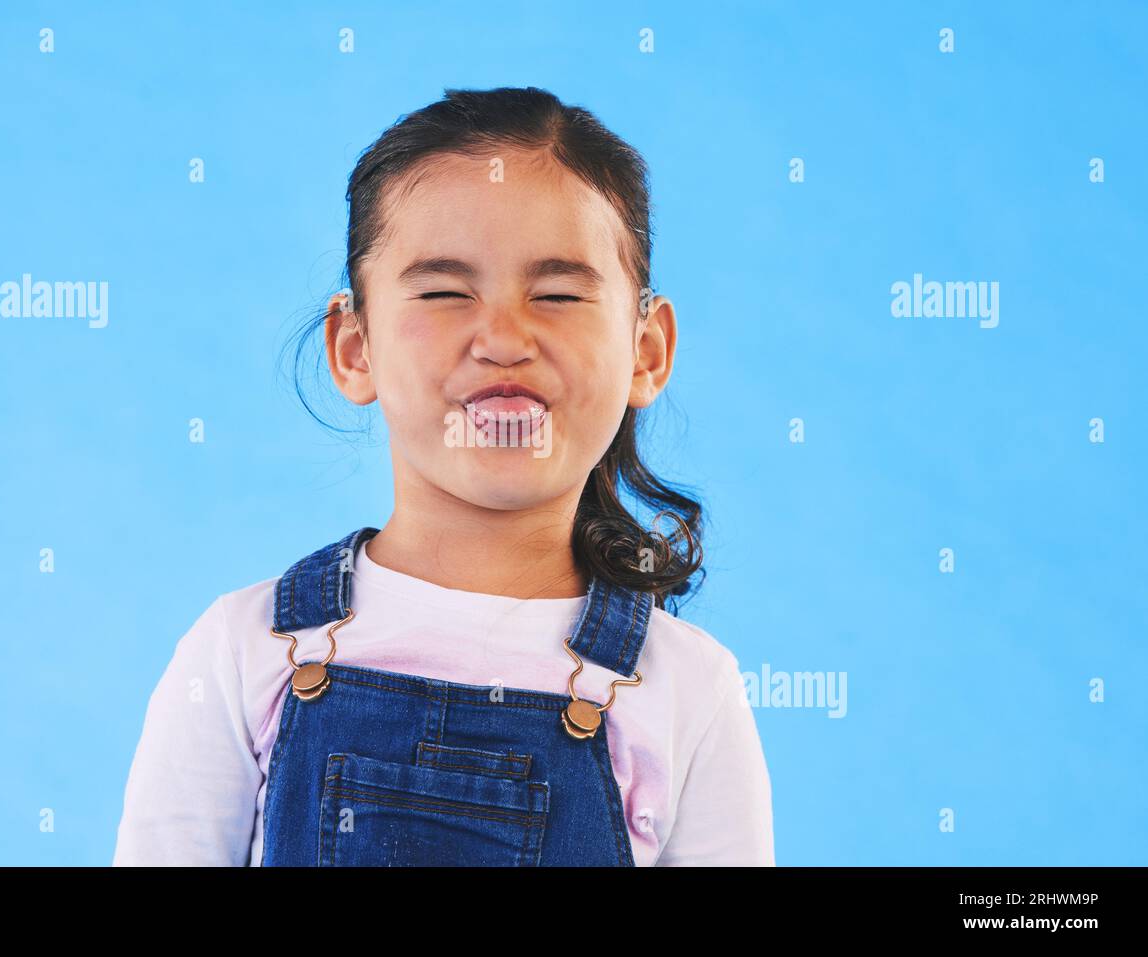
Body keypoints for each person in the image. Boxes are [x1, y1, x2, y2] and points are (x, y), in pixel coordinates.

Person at [113, 86, 774, 866]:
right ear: (355, 347)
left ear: (647, 349)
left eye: (558, 294)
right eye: (444, 292)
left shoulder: (690, 689)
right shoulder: (245, 651)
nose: (502, 337)